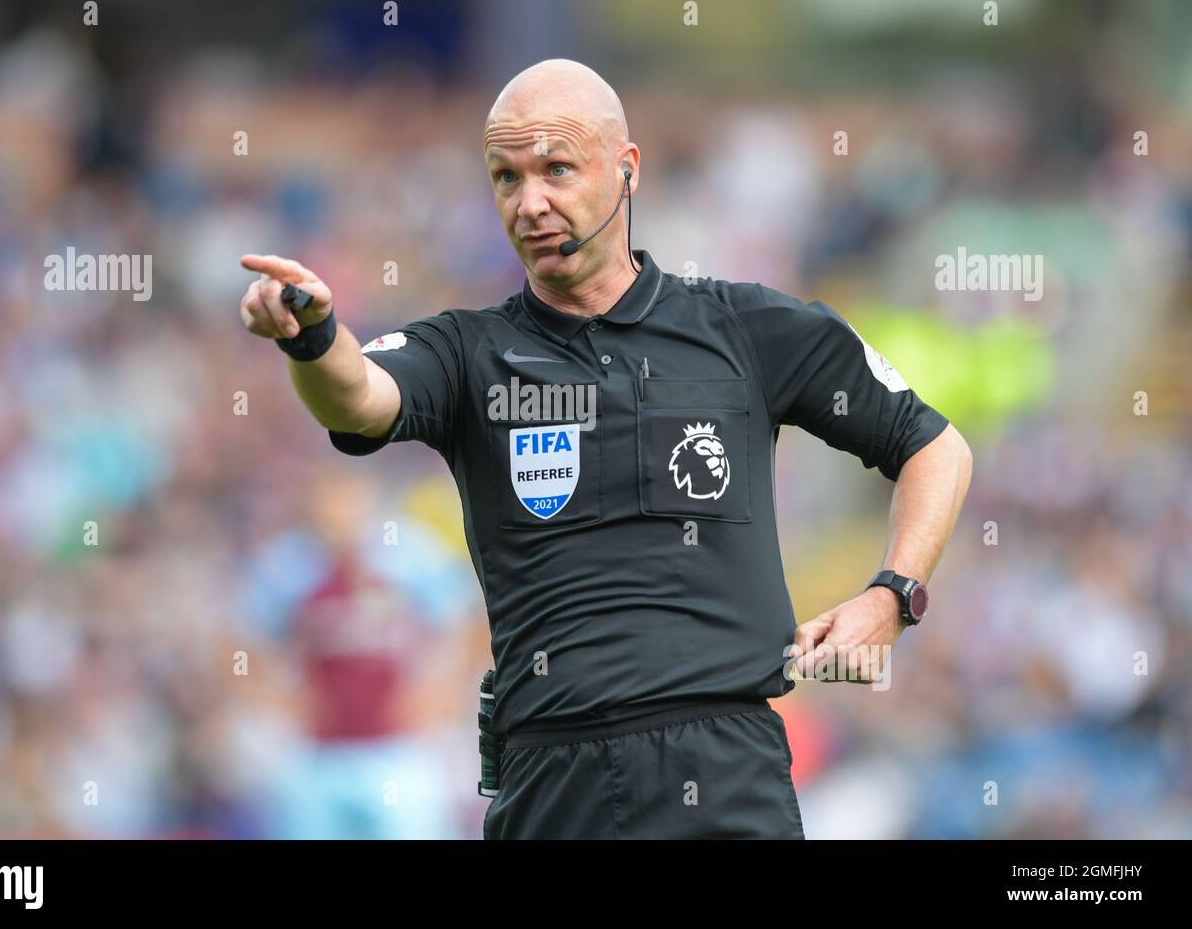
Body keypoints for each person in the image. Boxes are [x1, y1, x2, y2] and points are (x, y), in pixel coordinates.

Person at [238, 59, 973, 839]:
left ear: (626, 171)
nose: (532, 203)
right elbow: (358, 397)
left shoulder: (750, 330)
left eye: (556, 168)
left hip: (725, 774)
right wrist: (313, 339)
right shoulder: (465, 353)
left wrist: (894, 596)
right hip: (551, 785)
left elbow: (935, 447)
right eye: (506, 177)